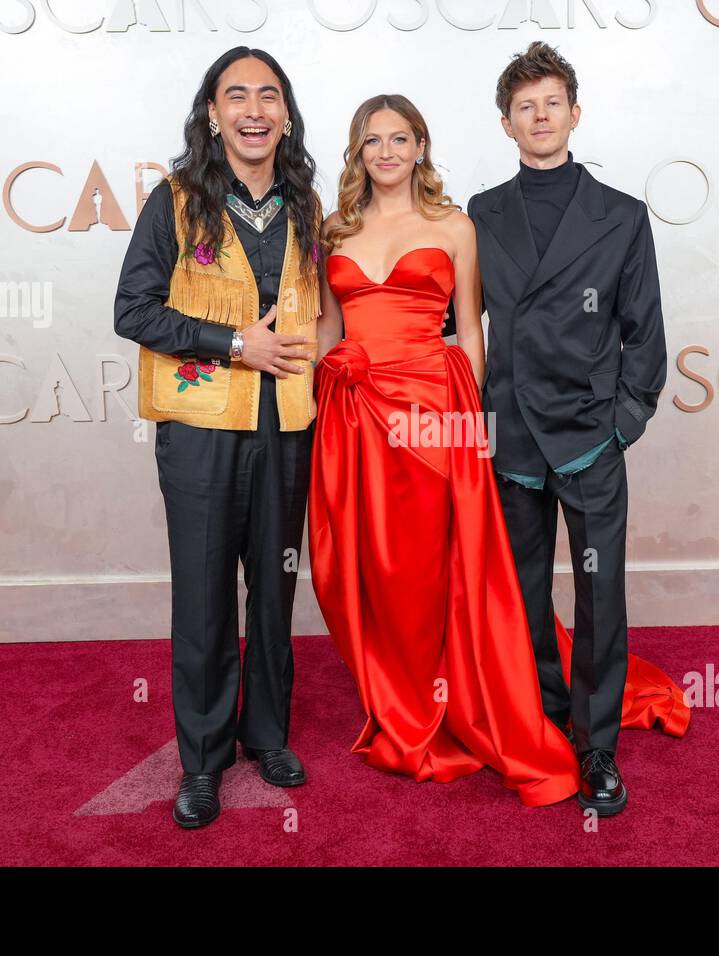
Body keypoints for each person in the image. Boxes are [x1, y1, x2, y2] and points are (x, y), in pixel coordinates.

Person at [308, 94, 689, 812]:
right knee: (443, 578)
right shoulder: (342, 229)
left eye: (400, 138)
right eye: (371, 141)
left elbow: (474, 334)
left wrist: (474, 427)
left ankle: (593, 738)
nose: (386, 152)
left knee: (560, 581)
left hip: (469, 424)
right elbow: (331, 337)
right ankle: (497, 704)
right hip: (366, 421)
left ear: (421, 144)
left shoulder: (460, 223)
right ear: (357, 152)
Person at [467, 41, 685, 816]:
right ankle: (542, 719)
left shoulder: (620, 215)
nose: (539, 116)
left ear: (575, 113)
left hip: (590, 438)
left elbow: (646, 331)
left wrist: (624, 422)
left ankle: (596, 747)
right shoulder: (482, 213)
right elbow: (462, 322)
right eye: (525, 107)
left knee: (599, 595)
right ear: (506, 123)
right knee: (521, 594)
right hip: (514, 439)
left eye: (552, 103)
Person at [113, 47, 324, 830]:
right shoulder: (174, 200)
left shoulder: (303, 202)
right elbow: (133, 310)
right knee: (204, 595)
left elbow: (318, 311)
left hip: (286, 426)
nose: (254, 109)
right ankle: (202, 759)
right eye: (237, 96)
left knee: (274, 587)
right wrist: (235, 345)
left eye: (269, 96)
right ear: (213, 113)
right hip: (202, 430)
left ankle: (266, 734)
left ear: (286, 114)